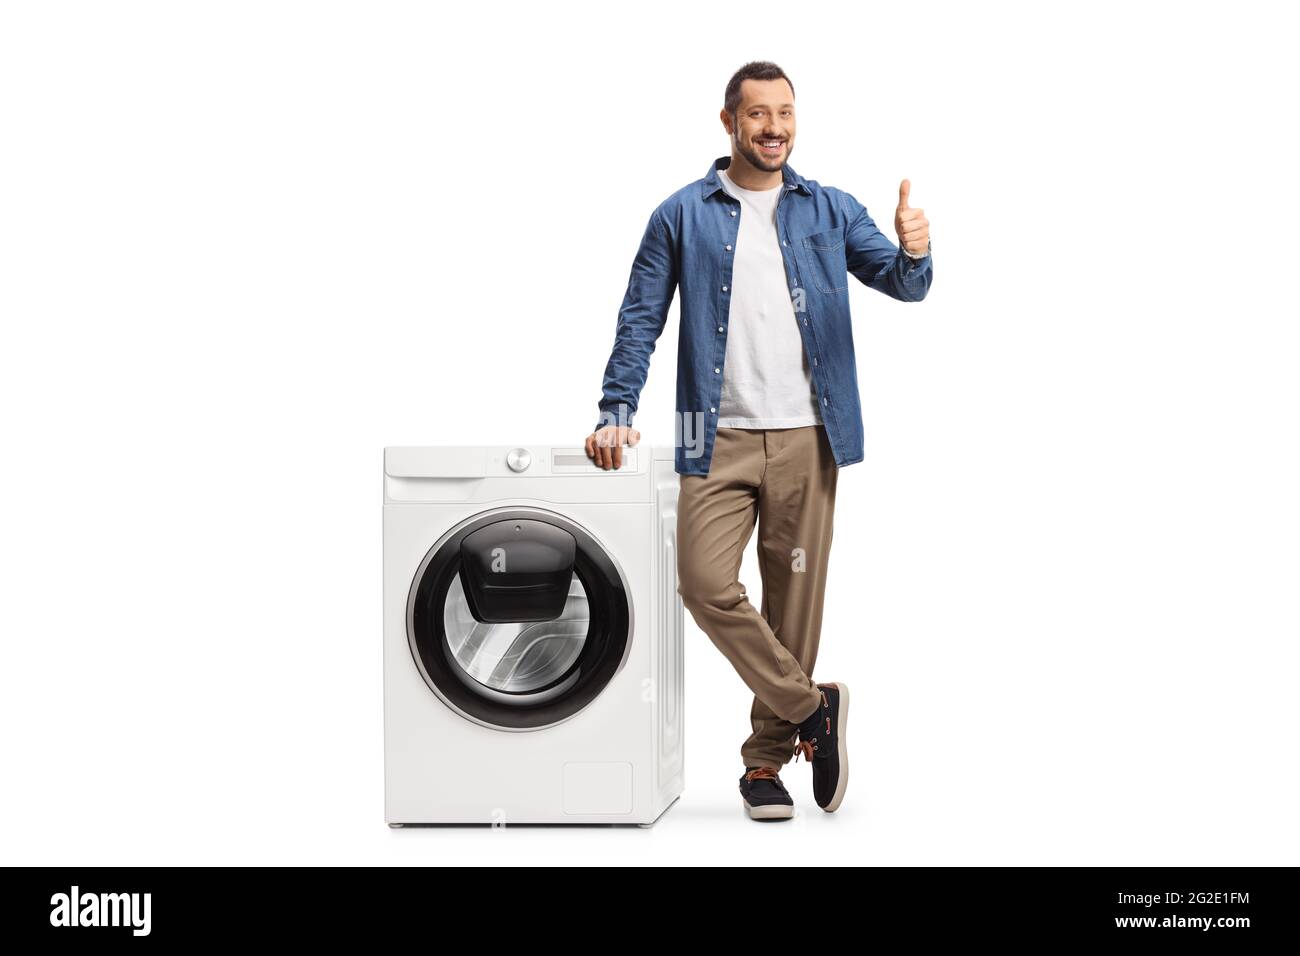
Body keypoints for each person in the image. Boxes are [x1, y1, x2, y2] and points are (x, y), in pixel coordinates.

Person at [584, 61, 934, 820]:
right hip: (709, 435)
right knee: (703, 583)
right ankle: (813, 709)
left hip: (811, 433)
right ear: (729, 122)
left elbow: (905, 285)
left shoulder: (831, 209)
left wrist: (914, 251)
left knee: (792, 602)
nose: (773, 127)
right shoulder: (681, 214)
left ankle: (766, 764)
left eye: (785, 113)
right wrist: (616, 407)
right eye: (757, 114)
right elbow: (640, 317)